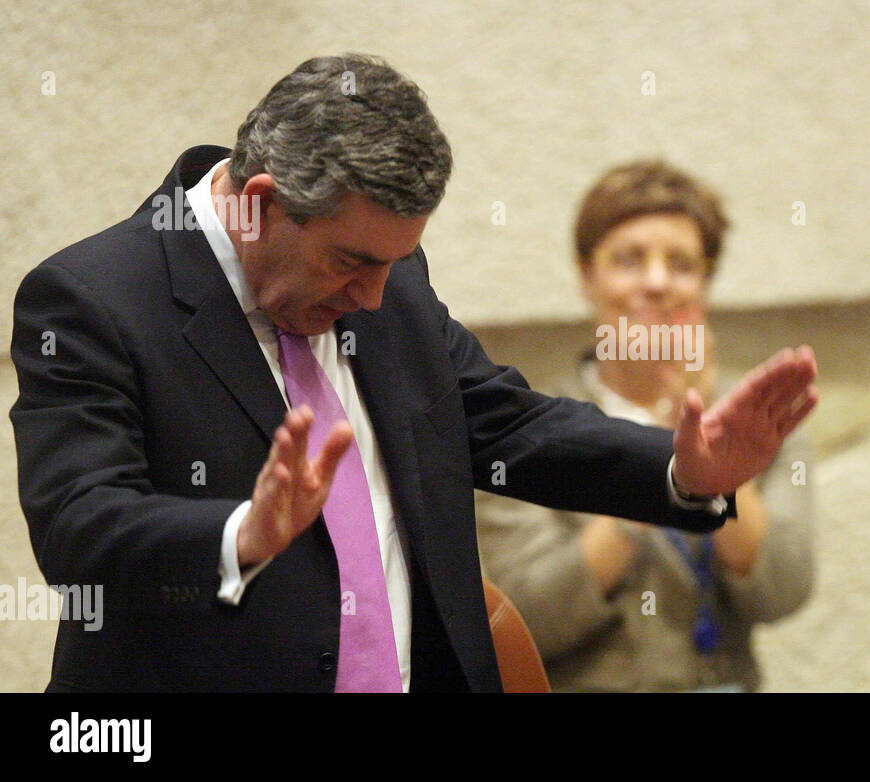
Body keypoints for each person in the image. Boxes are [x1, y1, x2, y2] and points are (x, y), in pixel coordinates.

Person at [7, 55, 818, 692]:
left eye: (395, 262)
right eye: (351, 262)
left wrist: (682, 468)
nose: (373, 296)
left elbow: (505, 420)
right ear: (259, 203)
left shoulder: (382, 271)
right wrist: (239, 534)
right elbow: (80, 525)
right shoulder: (91, 299)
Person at [476, 161, 813, 692]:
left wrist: (719, 461)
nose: (656, 283)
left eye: (681, 264)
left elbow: (785, 588)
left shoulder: (758, 417)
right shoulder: (522, 423)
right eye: (629, 260)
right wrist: (662, 475)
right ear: (587, 276)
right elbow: (525, 617)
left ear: (704, 282)